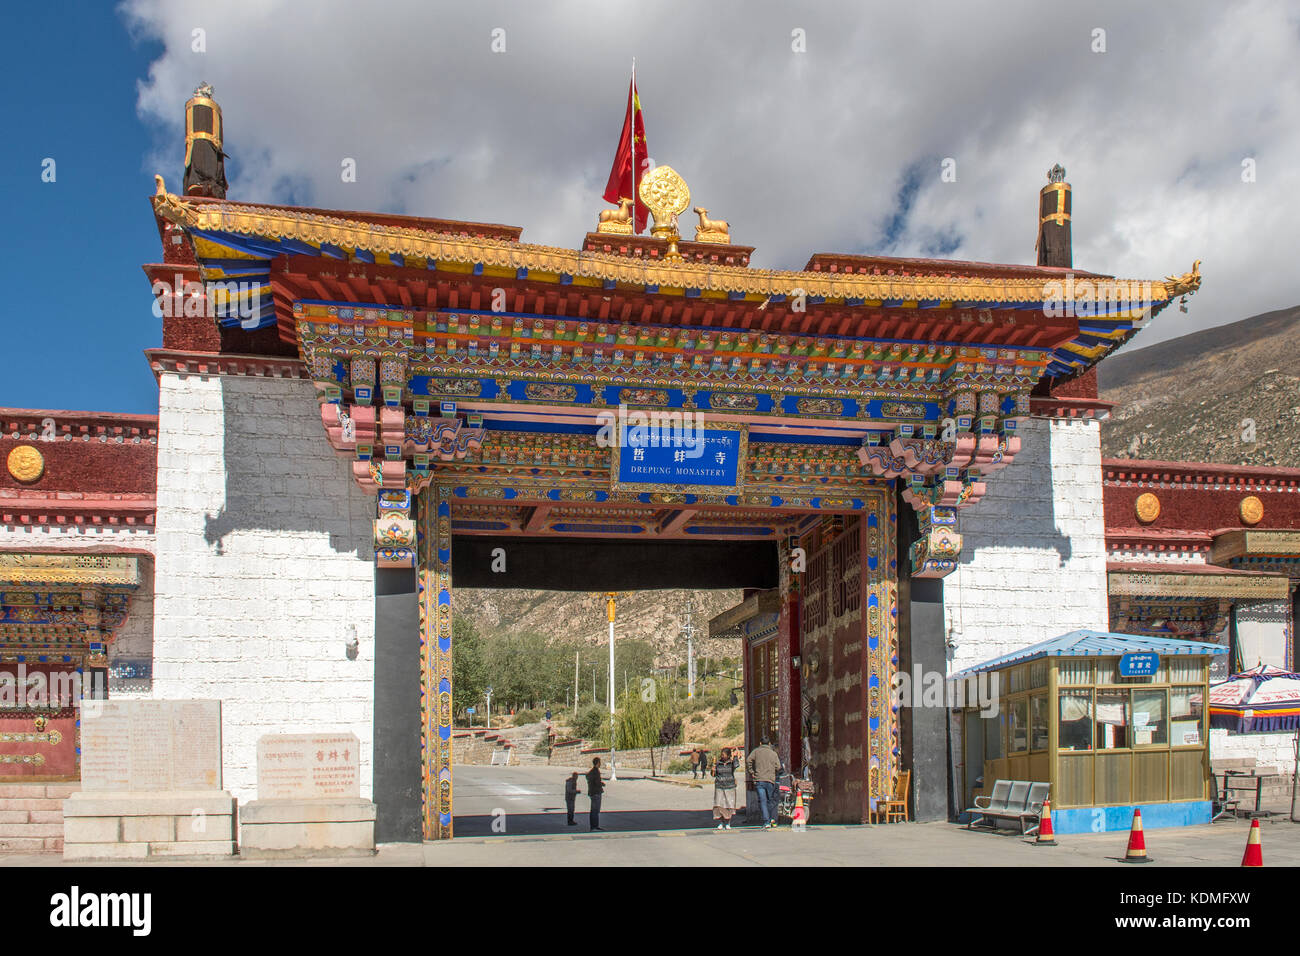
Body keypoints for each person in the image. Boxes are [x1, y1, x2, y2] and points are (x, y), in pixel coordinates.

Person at [747, 736, 781, 828]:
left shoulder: (756, 751)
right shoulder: (773, 753)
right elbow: (778, 767)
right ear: (769, 743)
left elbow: (748, 760)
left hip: (759, 780)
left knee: (763, 801)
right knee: (770, 800)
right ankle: (771, 819)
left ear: (760, 743)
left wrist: (752, 772)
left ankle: (766, 822)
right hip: (770, 780)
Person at [712, 747, 740, 829]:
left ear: (728, 755)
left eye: (724, 755)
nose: (722, 756)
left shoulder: (731, 763)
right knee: (719, 805)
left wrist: (735, 757)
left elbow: (736, 765)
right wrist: (712, 770)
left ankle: (728, 822)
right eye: (721, 754)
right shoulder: (718, 763)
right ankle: (721, 822)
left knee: (728, 805)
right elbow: (713, 774)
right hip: (719, 786)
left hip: (730, 786)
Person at [585, 757, 606, 831]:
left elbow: (588, 778)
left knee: (594, 810)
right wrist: (601, 784)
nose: (600, 764)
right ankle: (594, 826)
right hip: (596, 792)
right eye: (599, 762)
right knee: (595, 810)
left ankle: (594, 825)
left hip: (592, 792)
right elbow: (596, 782)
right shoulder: (596, 771)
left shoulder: (591, 771)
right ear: (597, 763)